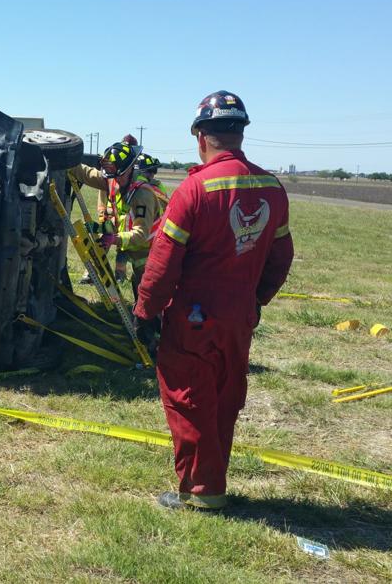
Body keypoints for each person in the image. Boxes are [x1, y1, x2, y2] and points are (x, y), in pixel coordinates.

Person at [134, 90, 293, 511]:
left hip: (192, 320)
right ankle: (212, 480)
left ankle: (203, 492)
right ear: (239, 133)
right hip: (239, 316)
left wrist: (146, 312)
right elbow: (282, 257)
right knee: (225, 398)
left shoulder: (193, 189)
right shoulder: (272, 188)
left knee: (189, 400)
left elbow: (163, 263)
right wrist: (256, 300)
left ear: (200, 136)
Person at [70, 141, 168, 299]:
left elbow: (141, 233)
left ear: (129, 169)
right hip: (130, 244)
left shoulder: (143, 194)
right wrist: (63, 161)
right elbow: (87, 174)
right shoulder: (114, 179)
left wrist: (114, 239)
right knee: (141, 293)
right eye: (111, 175)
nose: (114, 181)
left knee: (149, 294)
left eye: (118, 175)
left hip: (149, 253)